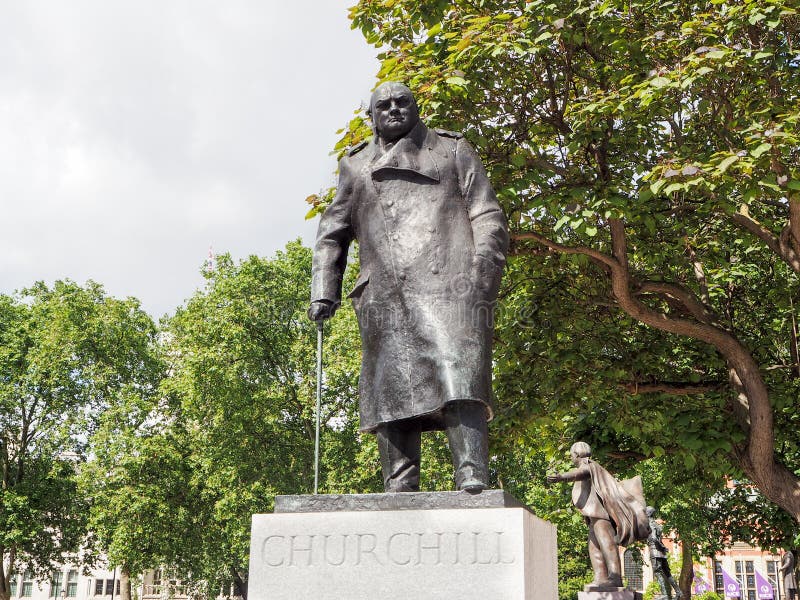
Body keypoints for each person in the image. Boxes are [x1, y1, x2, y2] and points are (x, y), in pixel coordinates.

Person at [308, 82, 508, 493]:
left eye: (404, 102)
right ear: (372, 115)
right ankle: (399, 482)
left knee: (459, 371)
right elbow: (332, 232)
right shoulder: (356, 165)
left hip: (453, 283)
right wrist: (324, 289)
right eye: (385, 105)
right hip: (386, 292)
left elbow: (487, 214)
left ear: (417, 108)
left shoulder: (452, 150)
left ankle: (472, 472)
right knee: (391, 386)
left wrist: (481, 273)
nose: (395, 110)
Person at [546, 442, 650, 591]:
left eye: (571, 456)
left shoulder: (589, 465)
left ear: (576, 455)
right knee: (593, 547)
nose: (571, 459)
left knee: (607, 544)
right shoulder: (592, 467)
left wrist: (561, 477)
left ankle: (615, 578)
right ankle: (600, 577)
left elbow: (579, 474)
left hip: (601, 516)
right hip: (594, 516)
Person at [646, 506, 683, 599]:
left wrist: (662, 547)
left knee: (658, 572)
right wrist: (663, 548)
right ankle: (678, 592)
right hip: (662, 553)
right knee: (667, 573)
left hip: (655, 551)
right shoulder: (657, 525)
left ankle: (664, 594)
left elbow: (654, 538)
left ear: (648, 513)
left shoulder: (650, 523)